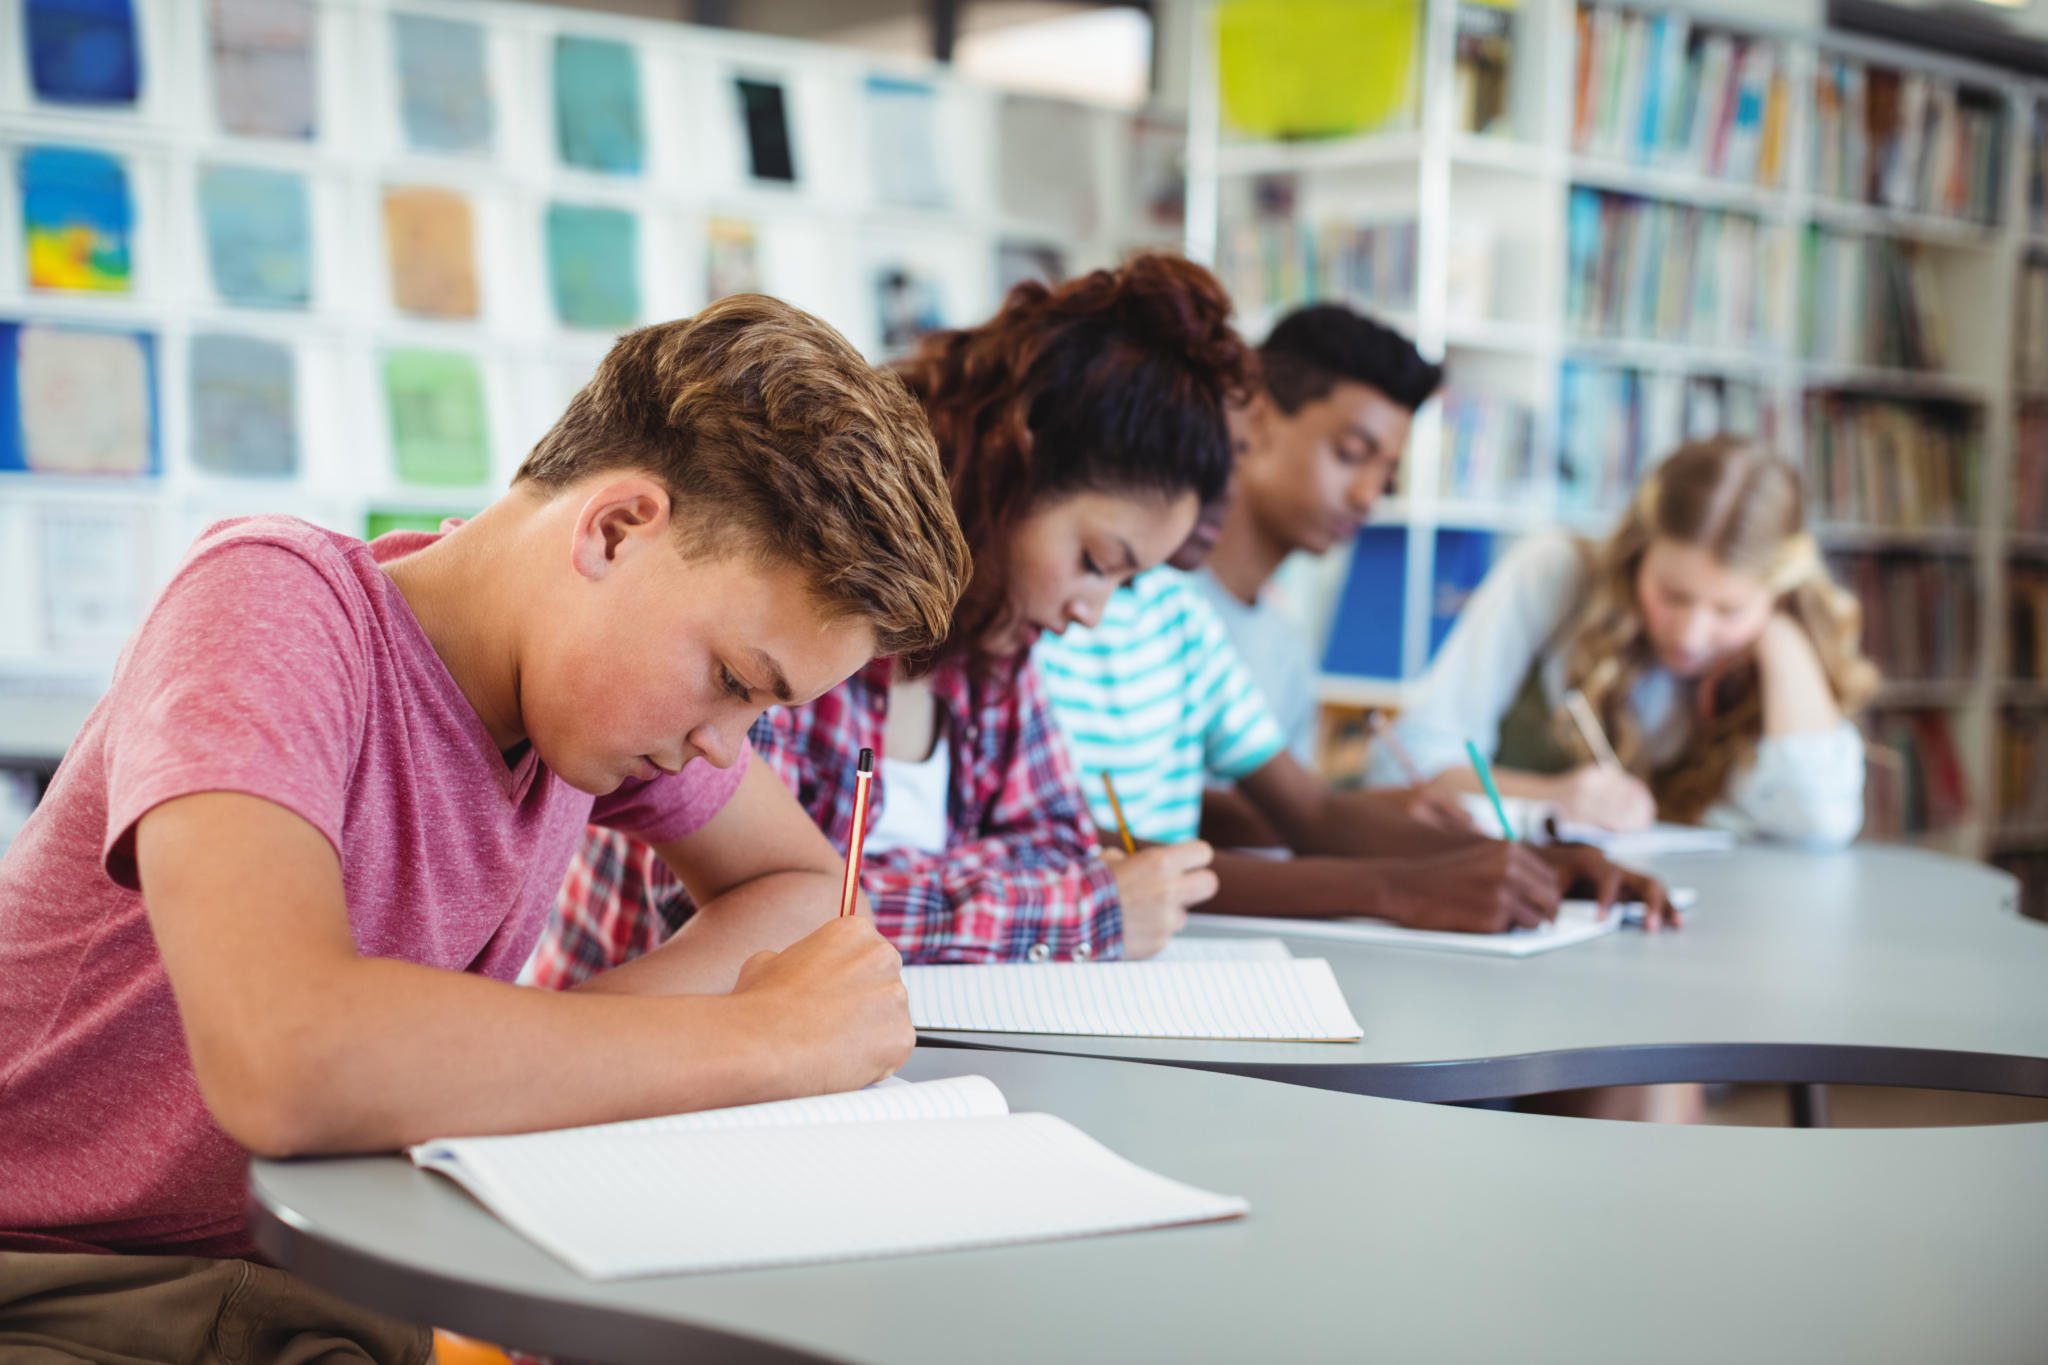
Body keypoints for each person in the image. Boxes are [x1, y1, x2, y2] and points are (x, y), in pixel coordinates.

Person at [0, 296, 970, 1358]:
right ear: (613, 529)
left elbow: (788, 885)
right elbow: (285, 1061)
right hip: (62, 1275)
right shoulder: (270, 607)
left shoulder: (572, 713)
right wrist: (761, 1039)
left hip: (320, 1270)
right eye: (734, 681)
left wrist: (519, 1058)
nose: (722, 747)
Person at [535, 253, 1246, 983]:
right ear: (1017, 462)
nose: (1090, 613)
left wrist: (880, 882)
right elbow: (734, 918)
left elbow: (1058, 850)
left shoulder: (999, 657)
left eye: (1122, 585)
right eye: (1096, 561)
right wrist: (1069, 907)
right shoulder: (797, 624)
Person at [1373, 436, 1878, 847]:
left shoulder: (1779, 641)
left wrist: (1781, 638)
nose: (1691, 634)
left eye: (1729, 610)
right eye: (1673, 595)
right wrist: (1552, 796)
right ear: (1639, 554)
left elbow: (1822, 822)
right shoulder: (1556, 576)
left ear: (1778, 591)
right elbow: (1401, 762)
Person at [1196, 304, 1445, 770]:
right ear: (1259, 417)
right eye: (1351, 454)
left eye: (1388, 474)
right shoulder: (1146, 603)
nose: (1368, 495)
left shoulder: (1285, 641)